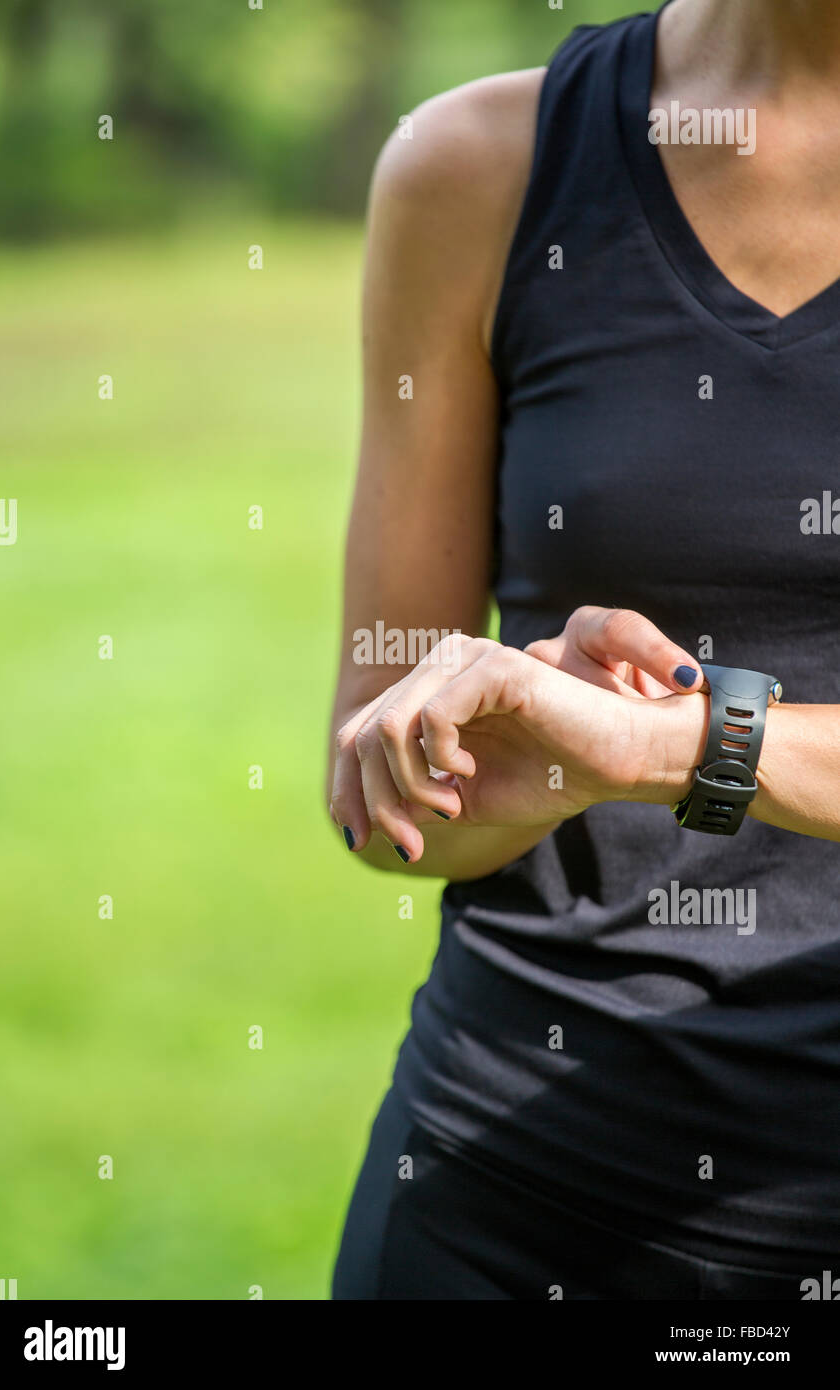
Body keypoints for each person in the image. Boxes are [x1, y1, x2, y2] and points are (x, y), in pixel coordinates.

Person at [327, 0, 840, 1299]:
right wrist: (525, 758)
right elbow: (387, 801)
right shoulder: (475, 167)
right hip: (505, 1193)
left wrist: (665, 742)